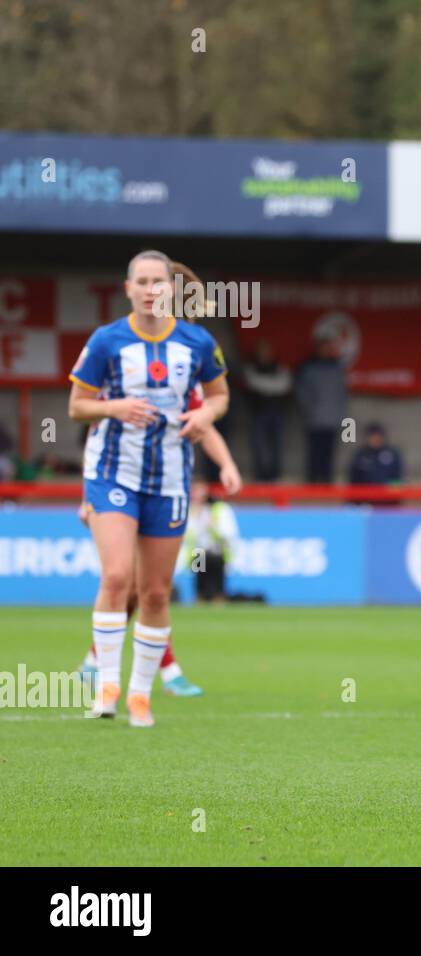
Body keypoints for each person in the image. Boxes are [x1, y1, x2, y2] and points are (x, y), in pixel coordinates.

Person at [68, 250, 229, 726]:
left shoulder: (197, 343)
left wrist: (206, 414)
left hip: (171, 478)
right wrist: (113, 407)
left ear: (171, 288)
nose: (151, 289)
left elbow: (219, 396)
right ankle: (106, 689)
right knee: (117, 576)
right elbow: (77, 406)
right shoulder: (107, 341)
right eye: (142, 281)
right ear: (129, 288)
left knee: (156, 592)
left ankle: (141, 695)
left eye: (159, 281)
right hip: (113, 473)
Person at [296, 334, 348, 483]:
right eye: (323, 348)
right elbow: (302, 392)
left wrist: (341, 415)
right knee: (314, 452)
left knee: (329, 453)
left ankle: (327, 481)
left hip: (332, 419)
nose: (326, 351)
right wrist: (309, 411)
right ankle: (313, 482)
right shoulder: (309, 367)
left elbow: (342, 393)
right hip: (314, 418)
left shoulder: (337, 367)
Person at [242, 339, 292, 481]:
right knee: (259, 446)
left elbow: (284, 384)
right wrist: (272, 386)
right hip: (258, 411)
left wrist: (264, 386)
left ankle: (274, 477)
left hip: (276, 412)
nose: (265, 354)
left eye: (267, 351)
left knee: (276, 445)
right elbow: (252, 381)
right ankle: (260, 477)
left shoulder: (279, 367)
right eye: (262, 351)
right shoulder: (252, 367)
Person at [184, 481, 239, 602]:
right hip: (198, 552)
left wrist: (212, 526)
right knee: (200, 560)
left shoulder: (221, 510)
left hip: (218, 551)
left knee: (214, 561)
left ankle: (218, 596)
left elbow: (228, 534)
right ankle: (200, 596)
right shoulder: (191, 511)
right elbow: (188, 535)